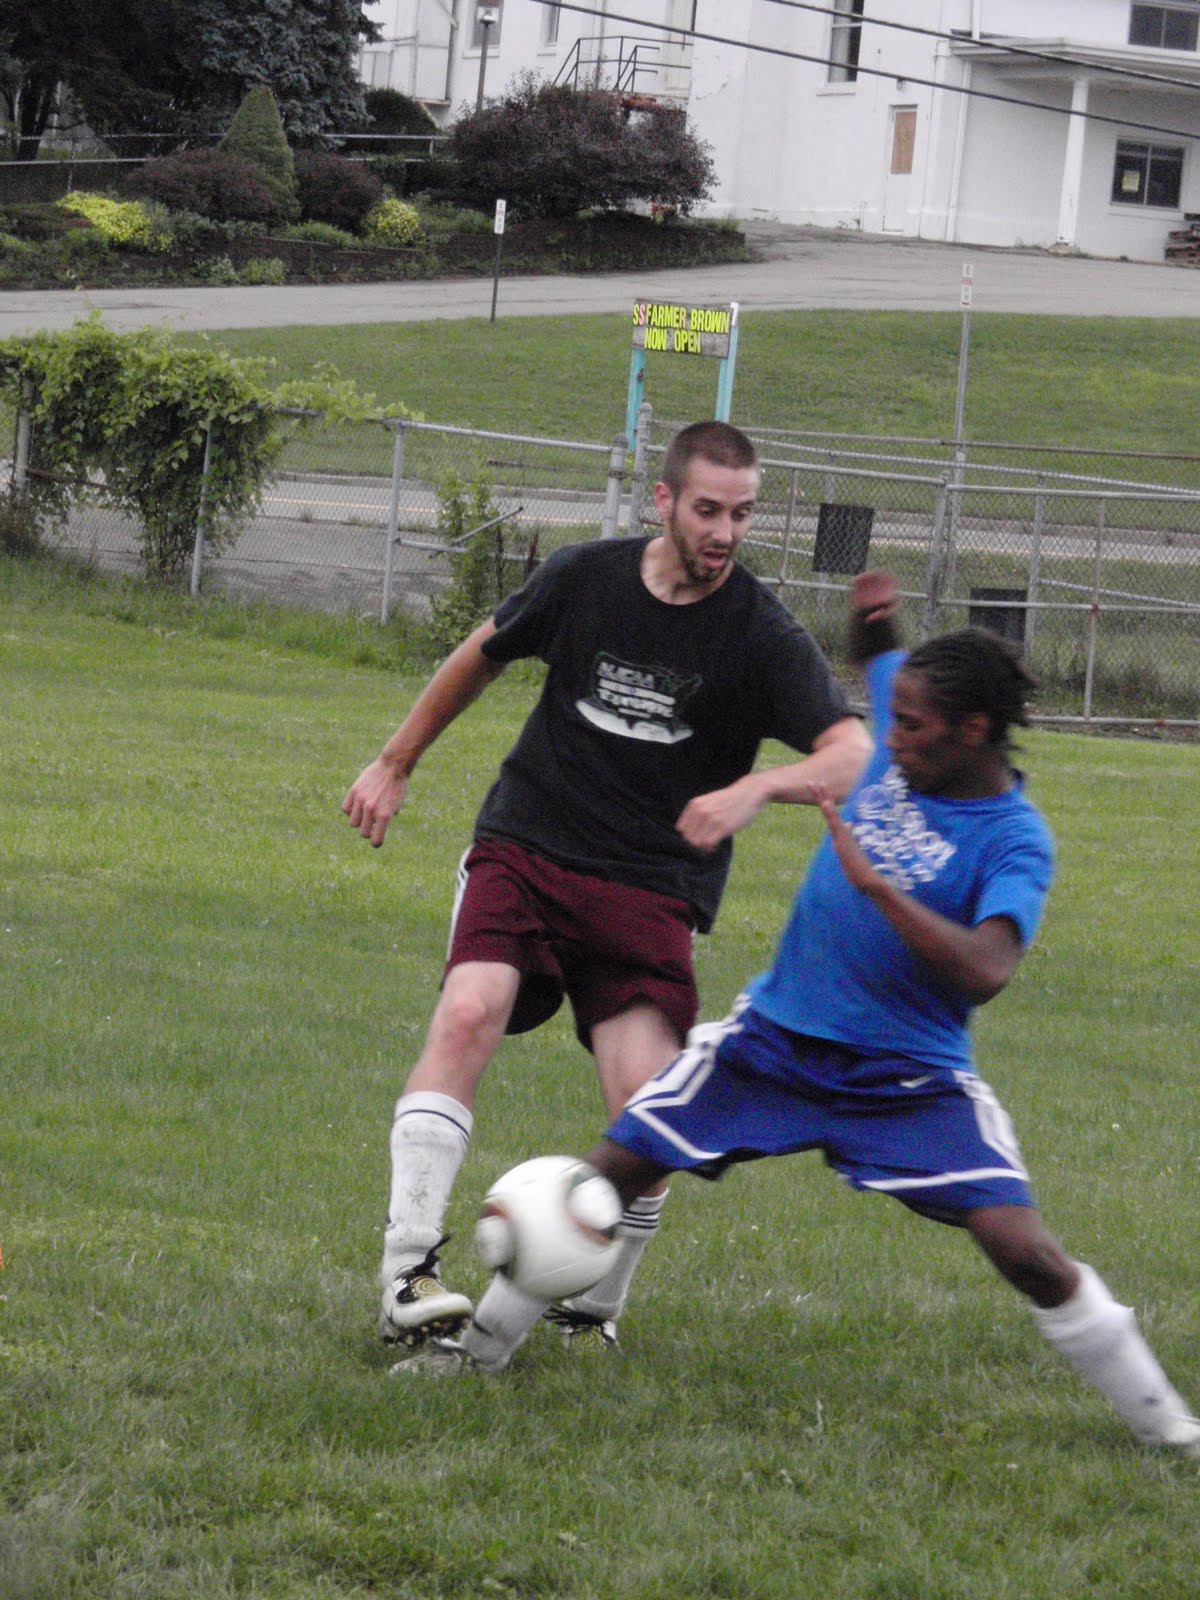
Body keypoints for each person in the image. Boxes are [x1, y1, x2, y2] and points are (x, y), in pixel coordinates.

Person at [446, 570, 1200, 1458]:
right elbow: (886, 663)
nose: (894, 736)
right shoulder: (905, 724)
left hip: (906, 1080)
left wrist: (880, 888)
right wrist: (875, 623)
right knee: (603, 1173)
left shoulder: (1014, 839)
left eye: (914, 727)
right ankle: (474, 1357)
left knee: (1026, 1252)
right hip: (771, 1044)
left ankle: (1171, 1430)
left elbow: (988, 969)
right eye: (898, 716)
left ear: (975, 731)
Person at [343, 420, 872, 1357]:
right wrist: (395, 760)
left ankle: (589, 1311)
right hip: (531, 841)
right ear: (663, 502)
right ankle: (408, 1273)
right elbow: (485, 650)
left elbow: (851, 750)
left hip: (649, 886)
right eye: (708, 510)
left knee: (649, 1107)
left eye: (742, 515)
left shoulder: (757, 630)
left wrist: (759, 785)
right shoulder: (585, 577)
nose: (725, 532)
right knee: (470, 1012)